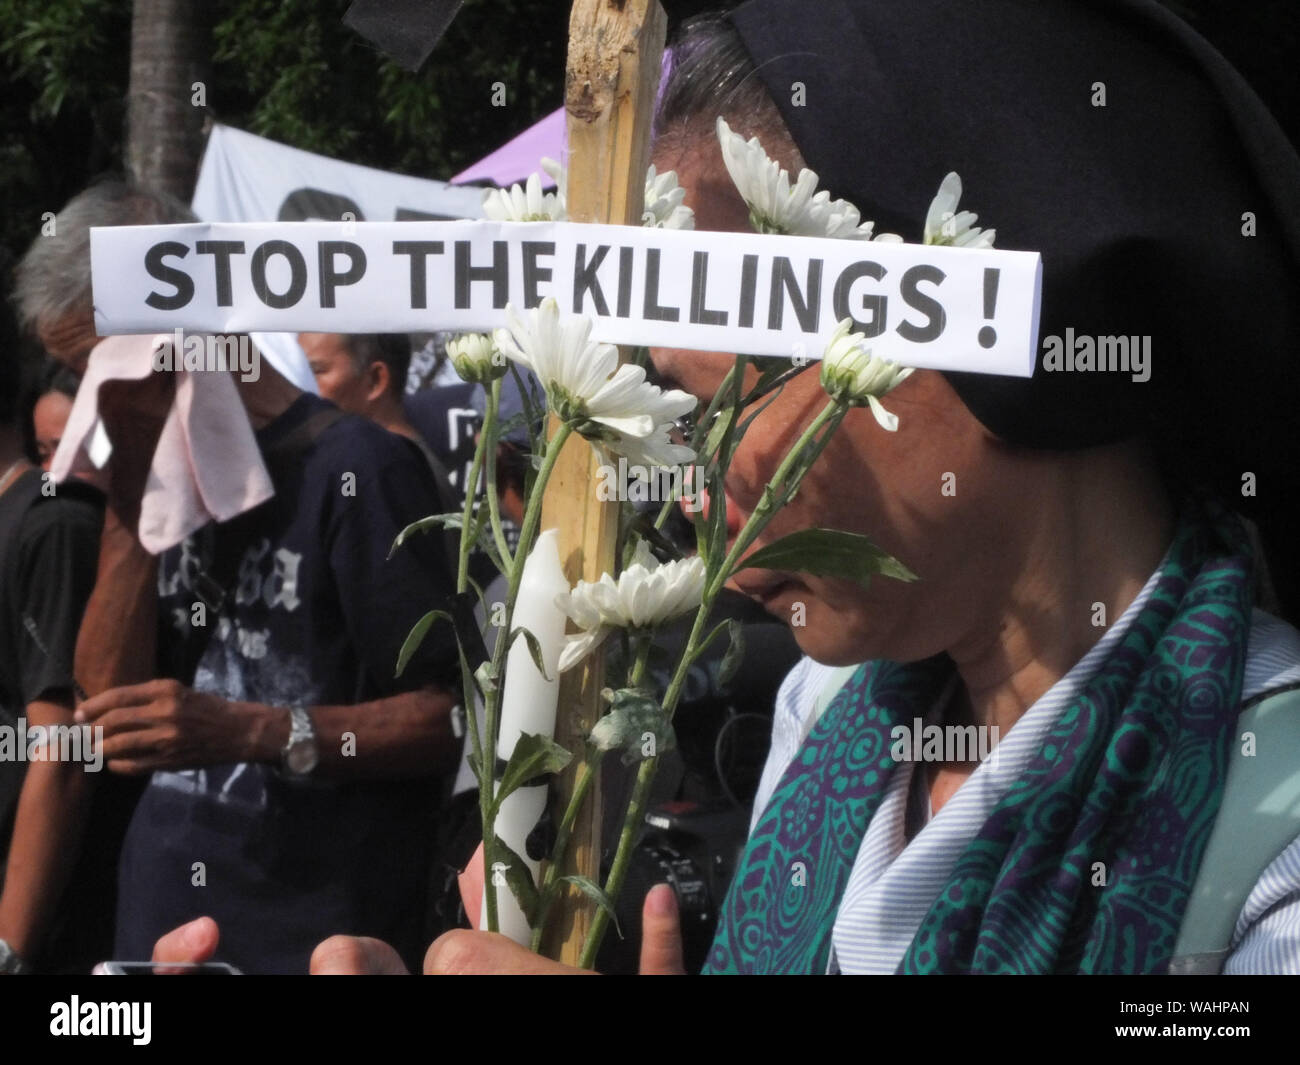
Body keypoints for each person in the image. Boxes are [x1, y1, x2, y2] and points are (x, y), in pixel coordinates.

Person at [156, 0, 1300, 974]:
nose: (696, 509)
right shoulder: (829, 721)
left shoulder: (1272, 839)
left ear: (984, 332)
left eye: (717, 412)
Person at [17, 181, 464, 974]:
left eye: (92, 367)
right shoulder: (157, 480)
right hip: (153, 938)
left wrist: (249, 730)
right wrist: (131, 495)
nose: (85, 398)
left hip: (307, 940)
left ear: (178, 323)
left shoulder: (360, 469)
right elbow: (108, 717)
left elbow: (442, 722)